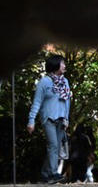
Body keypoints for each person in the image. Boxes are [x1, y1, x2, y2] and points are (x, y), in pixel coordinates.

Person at [28, 54, 71, 184]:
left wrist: (67, 118)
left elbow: (67, 101)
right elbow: (37, 102)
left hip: (61, 119)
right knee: (53, 145)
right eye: (62, 63)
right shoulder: (44, 82)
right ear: (55, 65)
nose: (64, 66)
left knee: (55, 147)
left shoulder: (65, 82)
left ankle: (45, 174)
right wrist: (31, 120)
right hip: (48, 119)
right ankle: (53, 173)